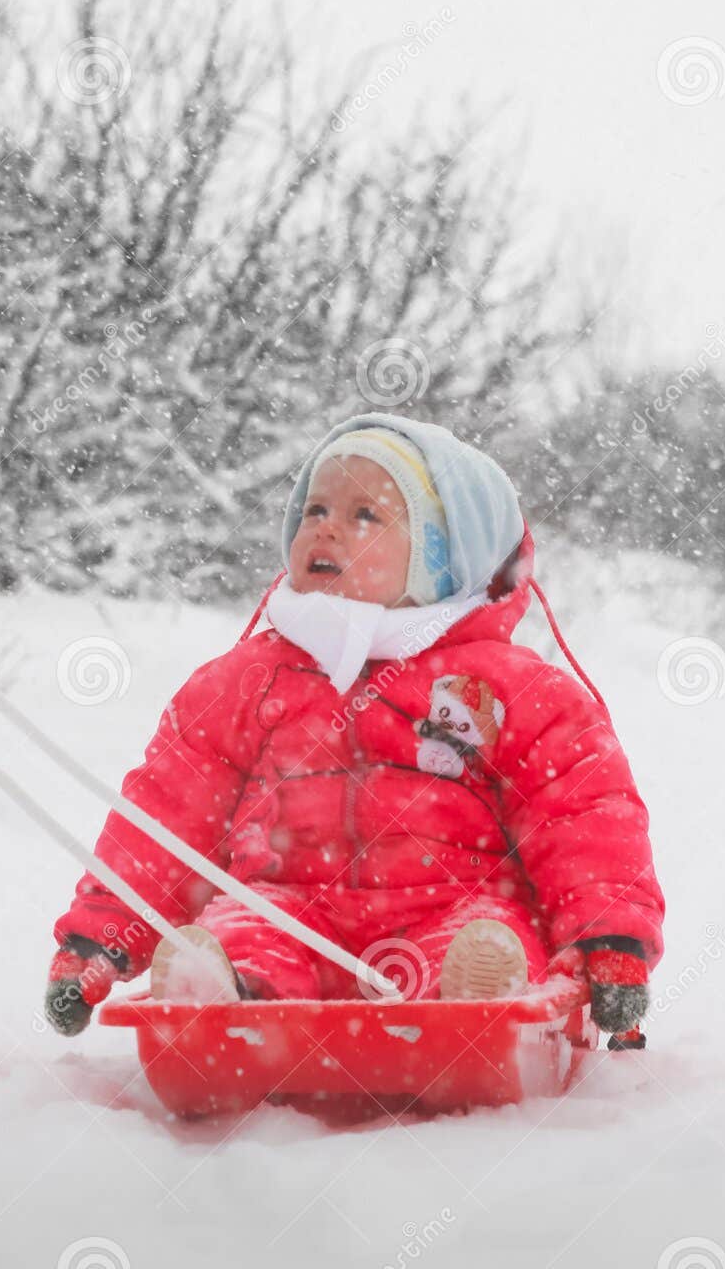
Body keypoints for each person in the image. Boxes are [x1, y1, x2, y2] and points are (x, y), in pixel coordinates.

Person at [46, 414, 664, 1048]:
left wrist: (609, 938)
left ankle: (471, 1001)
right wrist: (103, 936)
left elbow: (582, 811)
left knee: (490, 934)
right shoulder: (249, 680)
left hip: (448, 908)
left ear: (441, 559)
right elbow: (169, 814)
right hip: (285, 908)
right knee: (238, 929)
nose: (325, 526)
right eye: (313, 508)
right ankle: (226, 995)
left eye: (365, 515)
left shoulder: (509, 688)